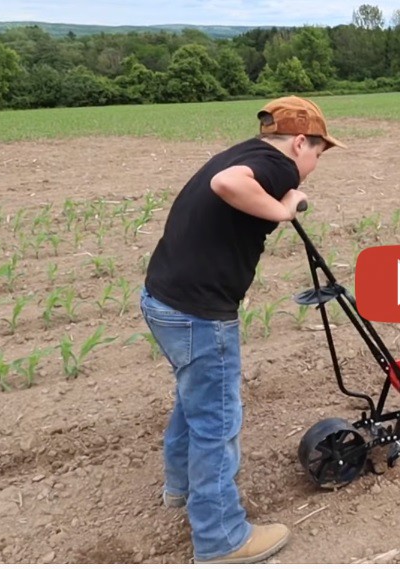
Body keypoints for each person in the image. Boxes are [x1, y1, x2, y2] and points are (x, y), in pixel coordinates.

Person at [139, 96, 345, 563]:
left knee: (194, 400)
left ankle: (181, 488)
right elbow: (227, 185)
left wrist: (284, 202)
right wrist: (285, 209)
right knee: (218, 422)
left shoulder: (244, 151)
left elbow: (228, 180)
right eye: (318, 152)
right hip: (199, 311)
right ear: (297, 142)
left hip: (162, 300)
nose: (315, 163)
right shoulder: (278, 165)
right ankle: (221, 540)